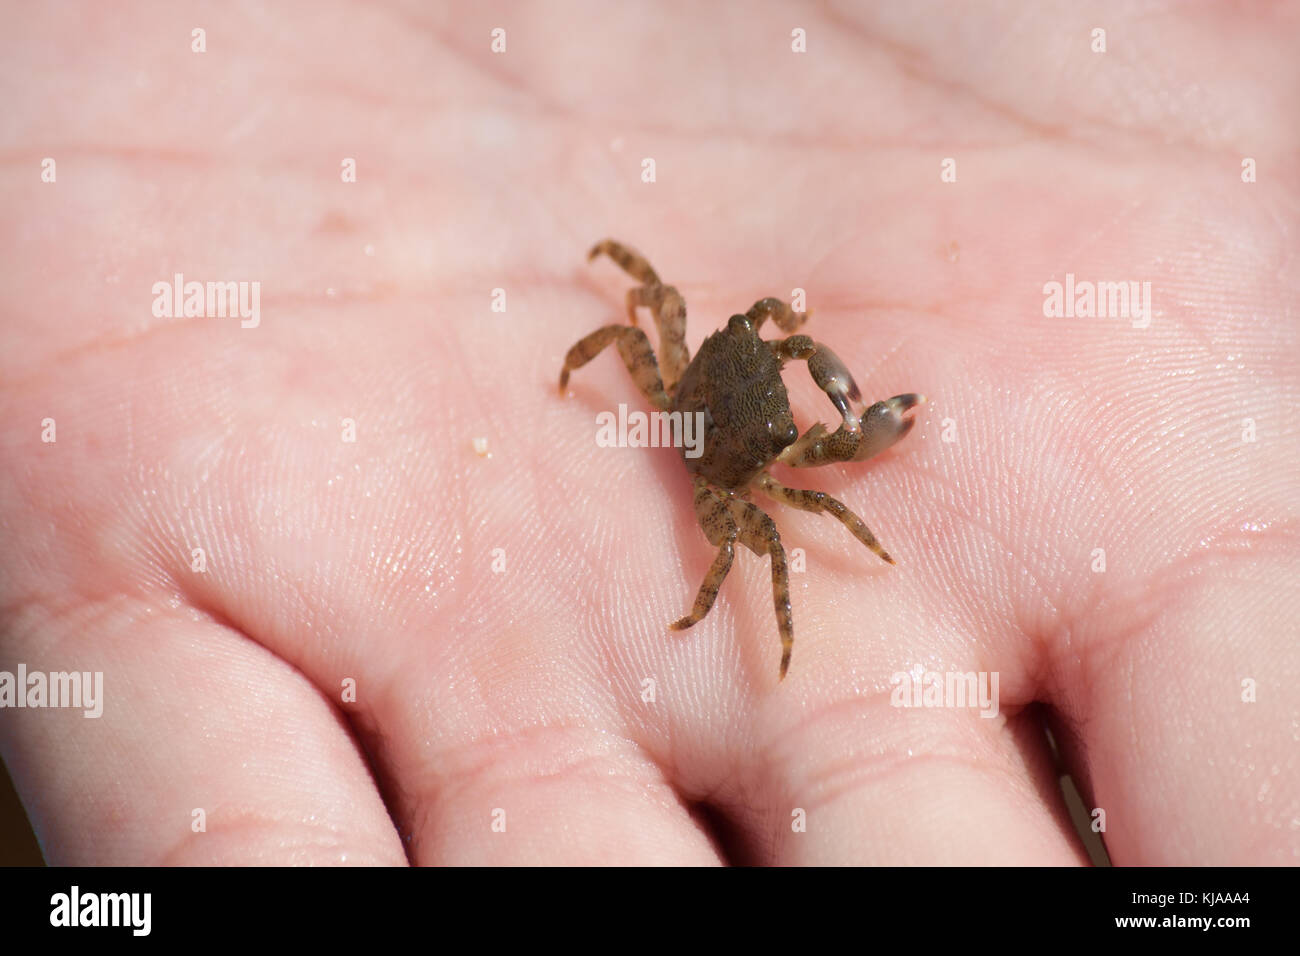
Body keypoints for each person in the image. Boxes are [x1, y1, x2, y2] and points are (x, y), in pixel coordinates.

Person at [1, 3, 1295, 865]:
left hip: (710, 462)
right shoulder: (727, 417)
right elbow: (682, 374)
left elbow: (761, 507)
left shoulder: (732, 429)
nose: (768, 354)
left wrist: (730, 581)